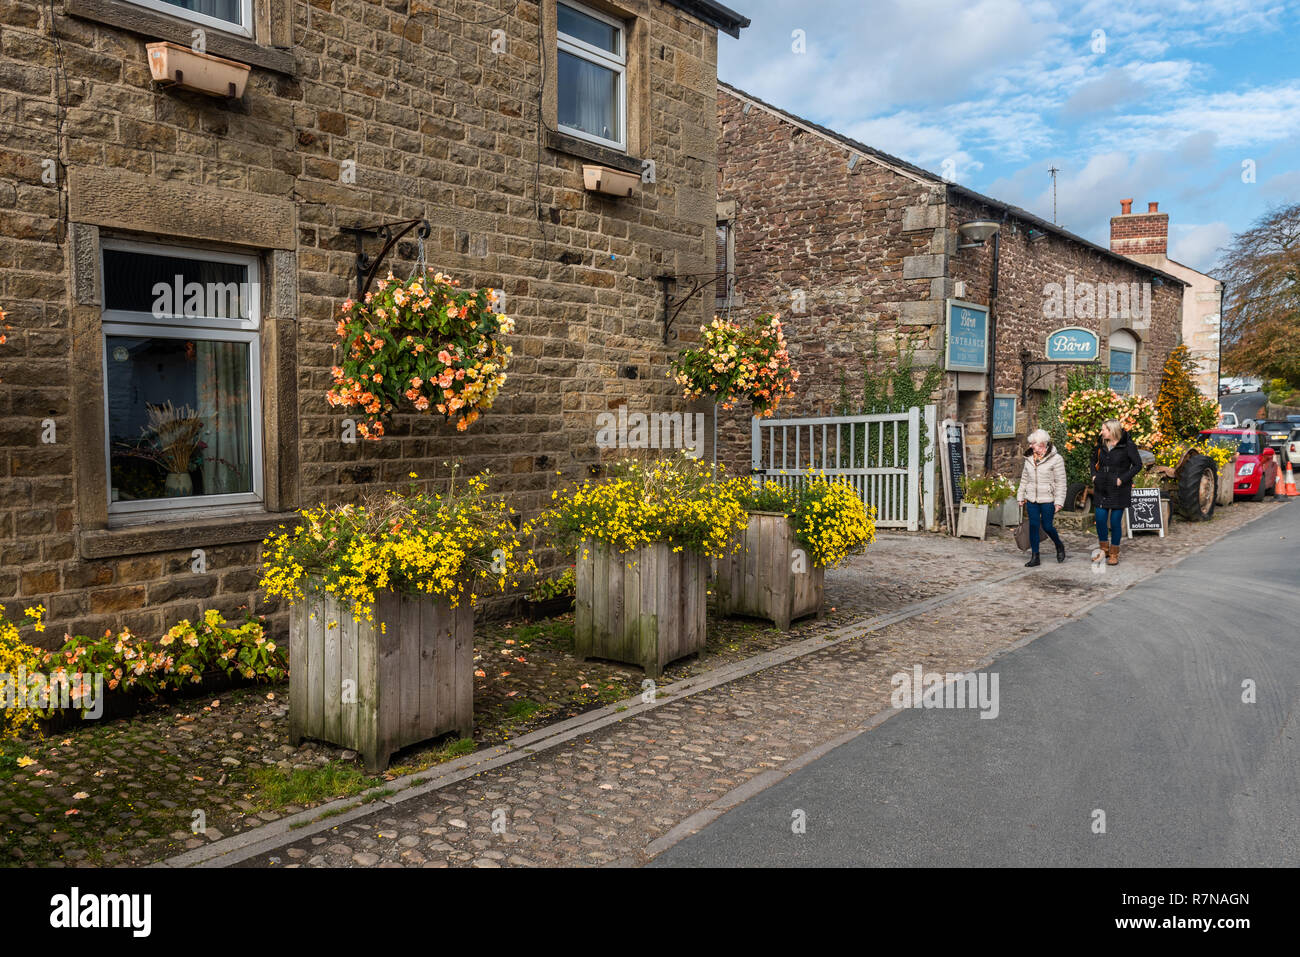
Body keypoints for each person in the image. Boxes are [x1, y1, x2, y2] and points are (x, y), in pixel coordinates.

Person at [1091, 418, 1143, 565]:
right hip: (1102, 486)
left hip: (1119, 488)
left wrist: (1123, 479)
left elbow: (1138, 465)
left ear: (1112, 431)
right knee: (1100, 520)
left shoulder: (1127, 446)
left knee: (1114, 522)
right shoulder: (1101, 444)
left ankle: (1114, 553)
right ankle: (1103, 550)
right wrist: (1094, 476)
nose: (1101, 432)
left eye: (1104, 430)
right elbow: (1092, 461)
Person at [1016, 428, 1067, 566]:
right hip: (1031, 498)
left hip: (1048, 499)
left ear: (1043, 444)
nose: (1031, 446)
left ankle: (1059, 545)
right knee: (1033, 525)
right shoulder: (1029, 459)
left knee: (1047, 526)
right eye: (1031, 443)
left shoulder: (1056, 459)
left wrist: (1059, 501)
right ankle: (1035, 556)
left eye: (1033, 443)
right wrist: (1020, 496)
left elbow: (1061, 482)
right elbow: (1024, 479)